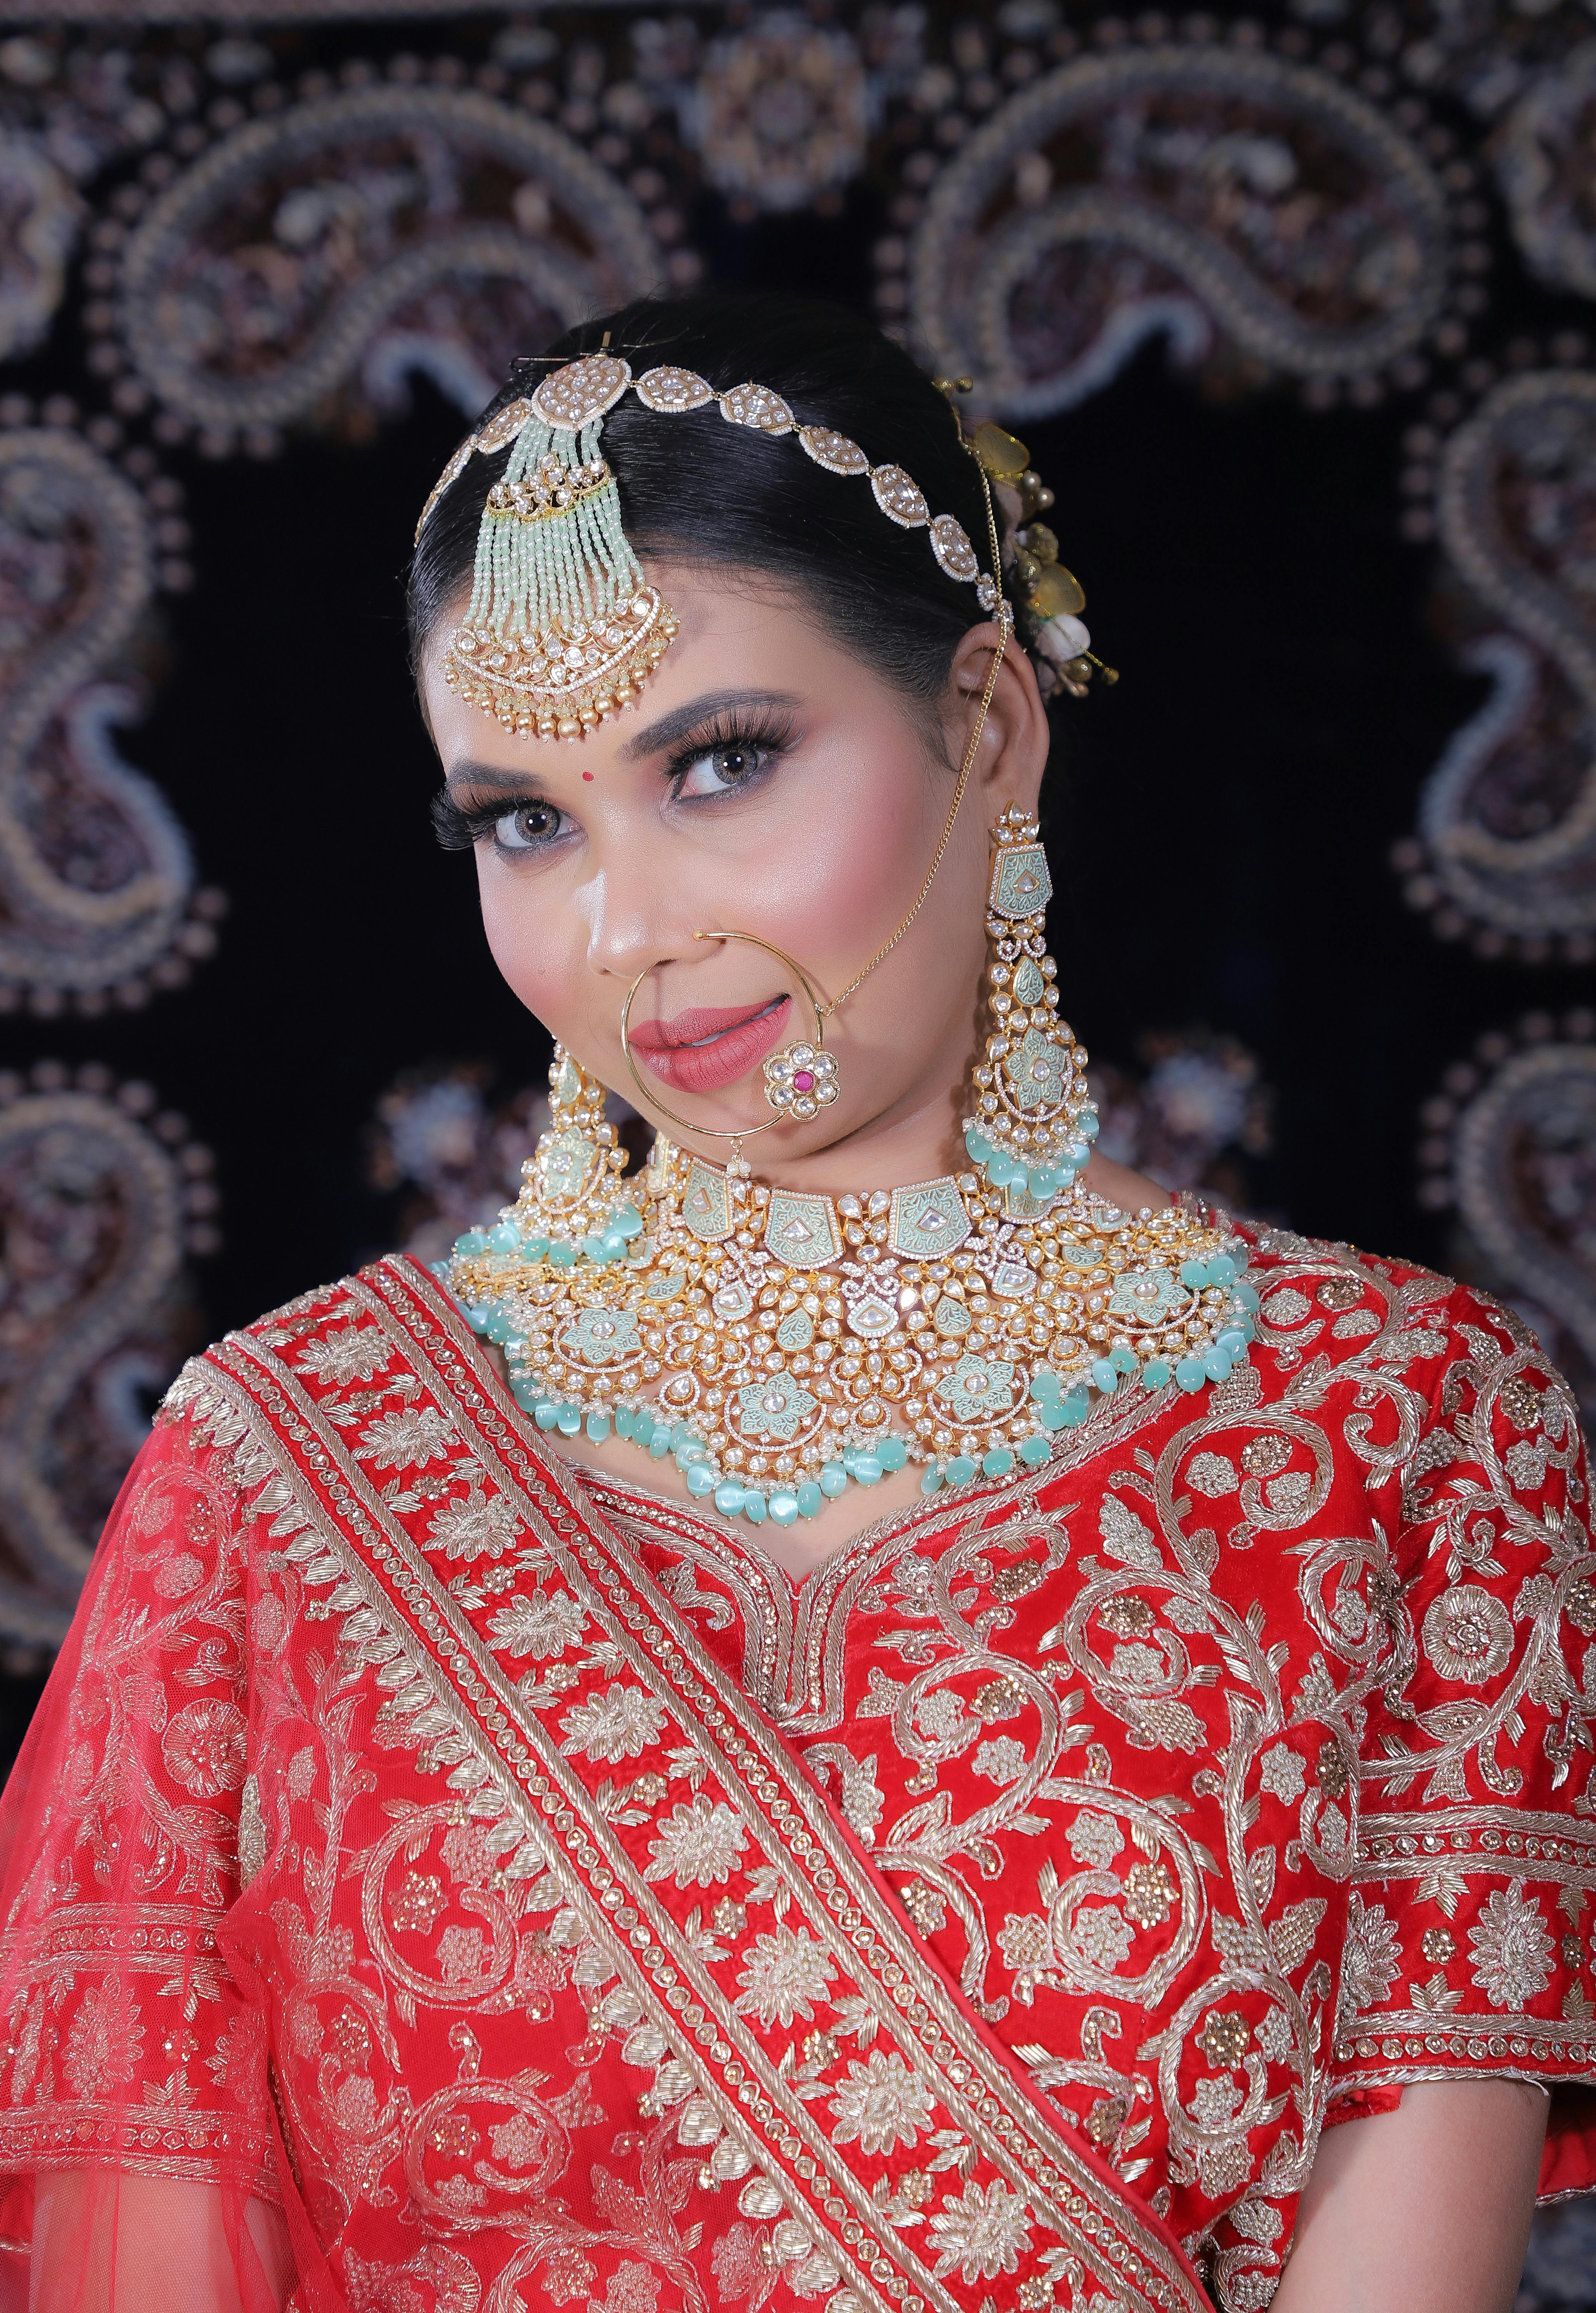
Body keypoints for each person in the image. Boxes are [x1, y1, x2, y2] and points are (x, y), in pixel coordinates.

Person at [0, 293, 1588, 2313]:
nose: (629, 923)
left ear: (989, 726)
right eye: (523, 820)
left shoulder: (1405, 1425)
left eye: (723, 761)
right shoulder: (278, 1462)